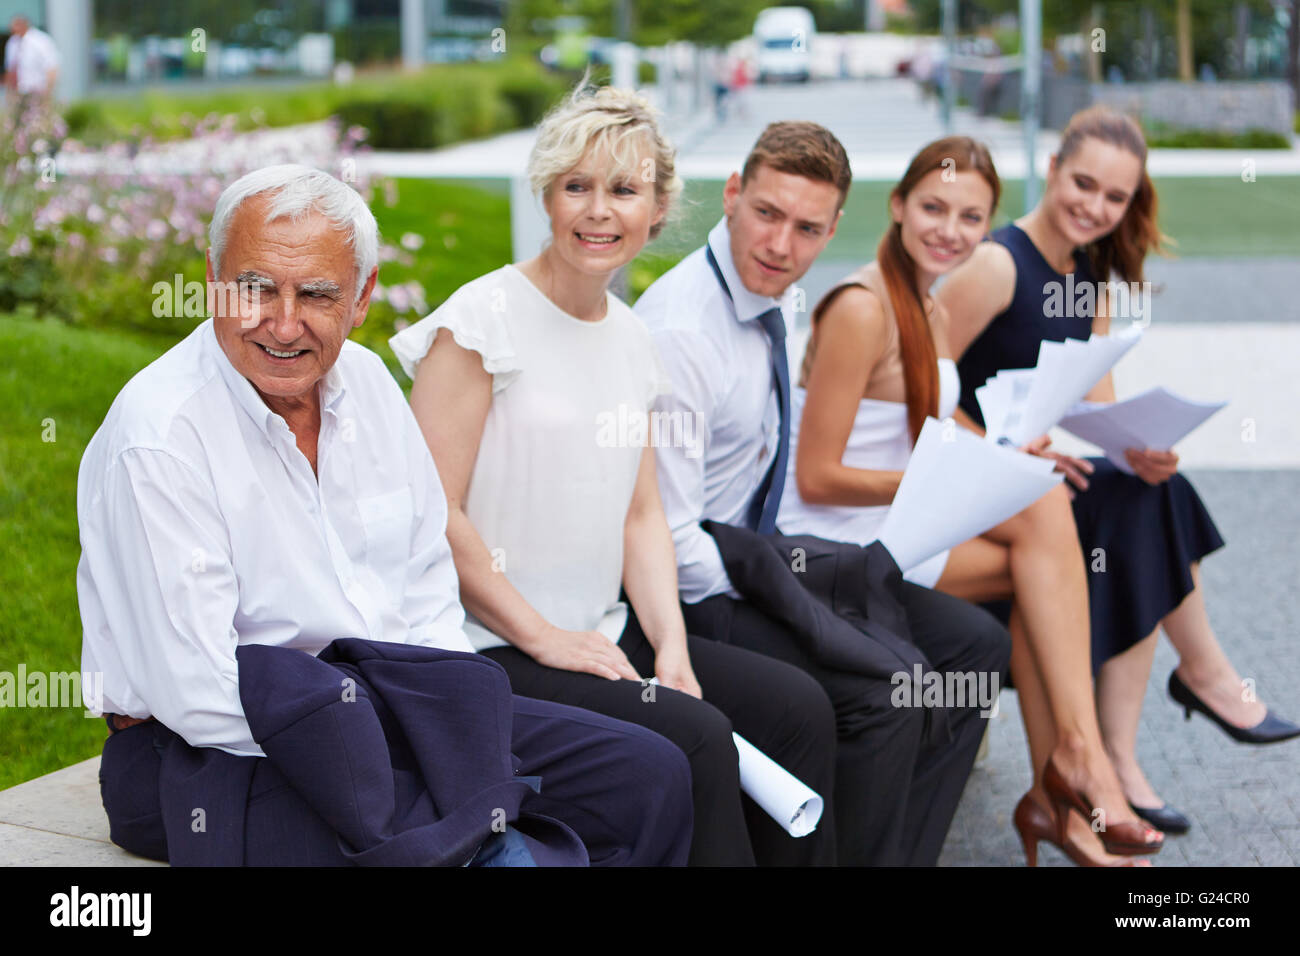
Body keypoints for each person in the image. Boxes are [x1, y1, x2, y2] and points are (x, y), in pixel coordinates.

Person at [77, 163, 694, 867]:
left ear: (363, 296)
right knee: (490, 856)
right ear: (214, 279)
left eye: (316, 294)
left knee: (649, 776)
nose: (282, 323)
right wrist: (412, 753)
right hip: (210, 753)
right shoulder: (159, 437)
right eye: (254, 289)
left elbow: (428, 588)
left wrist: (446, 735)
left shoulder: (365, 384)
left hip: (395, 707)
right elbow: (196, 692)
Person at [391, 85, 837, 867]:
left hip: (601, 630)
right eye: (577, 187)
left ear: (657, 208)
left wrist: (672, 648)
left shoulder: (634, 341)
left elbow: (641, 518)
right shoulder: (481, 321)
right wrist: (543, 636)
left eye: (624, 190)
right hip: (489, 646)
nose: (599, 211)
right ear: (547, 195)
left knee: (799, 708)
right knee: (697, 740)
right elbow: (435, 513)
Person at [634, 121, 1011, 866]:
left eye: (808, 229)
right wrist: (793, 603)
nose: (781, 245)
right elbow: (670, 540)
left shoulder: (764, 298)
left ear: (834, 228)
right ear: (734, 196)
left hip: (762, 556)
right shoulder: (686, 330)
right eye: (767, 214)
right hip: (699, 589)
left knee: (975, 649)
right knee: (888, 692)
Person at [779, 135, 1162, 866]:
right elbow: (816, 476)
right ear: (897, 206)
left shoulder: (930, 306)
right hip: (829, 539)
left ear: (989, 228)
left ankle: (1067, 786)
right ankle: (1080, 772)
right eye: (932, 207)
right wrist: (950, 478)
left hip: (885, 523)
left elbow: (930, 414)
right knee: (1043, 528)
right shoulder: (861, 308)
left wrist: (1001, 453)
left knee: (1041, 527)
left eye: (969, 217)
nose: (948, 230)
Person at [938, 105, 1300, 836]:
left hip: (1041, 487)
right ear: (1050, 171)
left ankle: (1130, 752)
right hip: (972, 493)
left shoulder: (1091, 273)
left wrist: (1137, 445)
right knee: (1142, 513)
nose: (1095, 207)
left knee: (1149, 487)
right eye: (1083, 184)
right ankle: (1197, 684)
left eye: (1115, 197)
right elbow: (913, 388)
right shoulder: (996, 265)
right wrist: (1002, 447)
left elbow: (1089, 408)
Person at [3, 15, 59, 110]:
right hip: (18, 92)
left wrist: (48, 91)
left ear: (24, 25)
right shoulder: (12, 43)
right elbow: (10, 69)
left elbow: (52, 67)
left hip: (37, 90)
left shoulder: (41, 41)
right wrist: (8, 91)